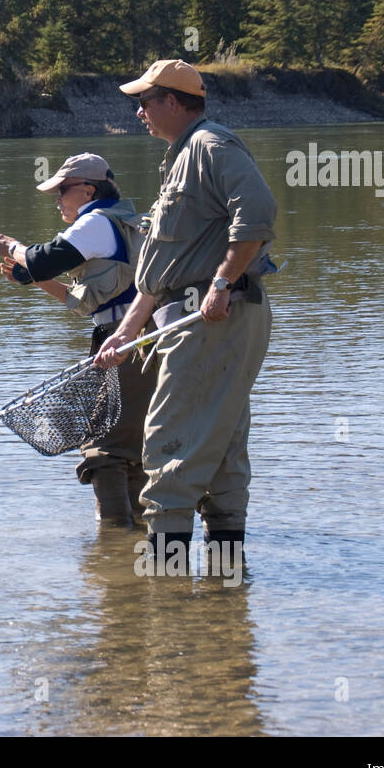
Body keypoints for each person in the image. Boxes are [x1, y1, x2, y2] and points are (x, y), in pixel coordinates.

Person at [93, 59, 277, 572]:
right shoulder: (180, 157)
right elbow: (160, 271)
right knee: (219, 449)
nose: (138, 112)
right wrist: (126, 332)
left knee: (169, 442)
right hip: (196, 319)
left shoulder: (211, 145)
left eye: (146, 102)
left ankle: (168, 598)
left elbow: (257, 211)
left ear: (173, 102)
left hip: (213, 316)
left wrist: (220, 284)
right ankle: (223, 593)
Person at [0, 153, 156, 525]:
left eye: (63, 190)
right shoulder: (124, 221)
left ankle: (113, 544)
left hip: (125, 343)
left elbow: (44, 258)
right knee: (132, 446)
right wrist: (31, 278)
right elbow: (80, 301)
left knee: (103, 446)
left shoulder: (94, 221)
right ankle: (136, 539)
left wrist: (11, 246)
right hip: (142, 339)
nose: (58, 198)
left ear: (88, 190)